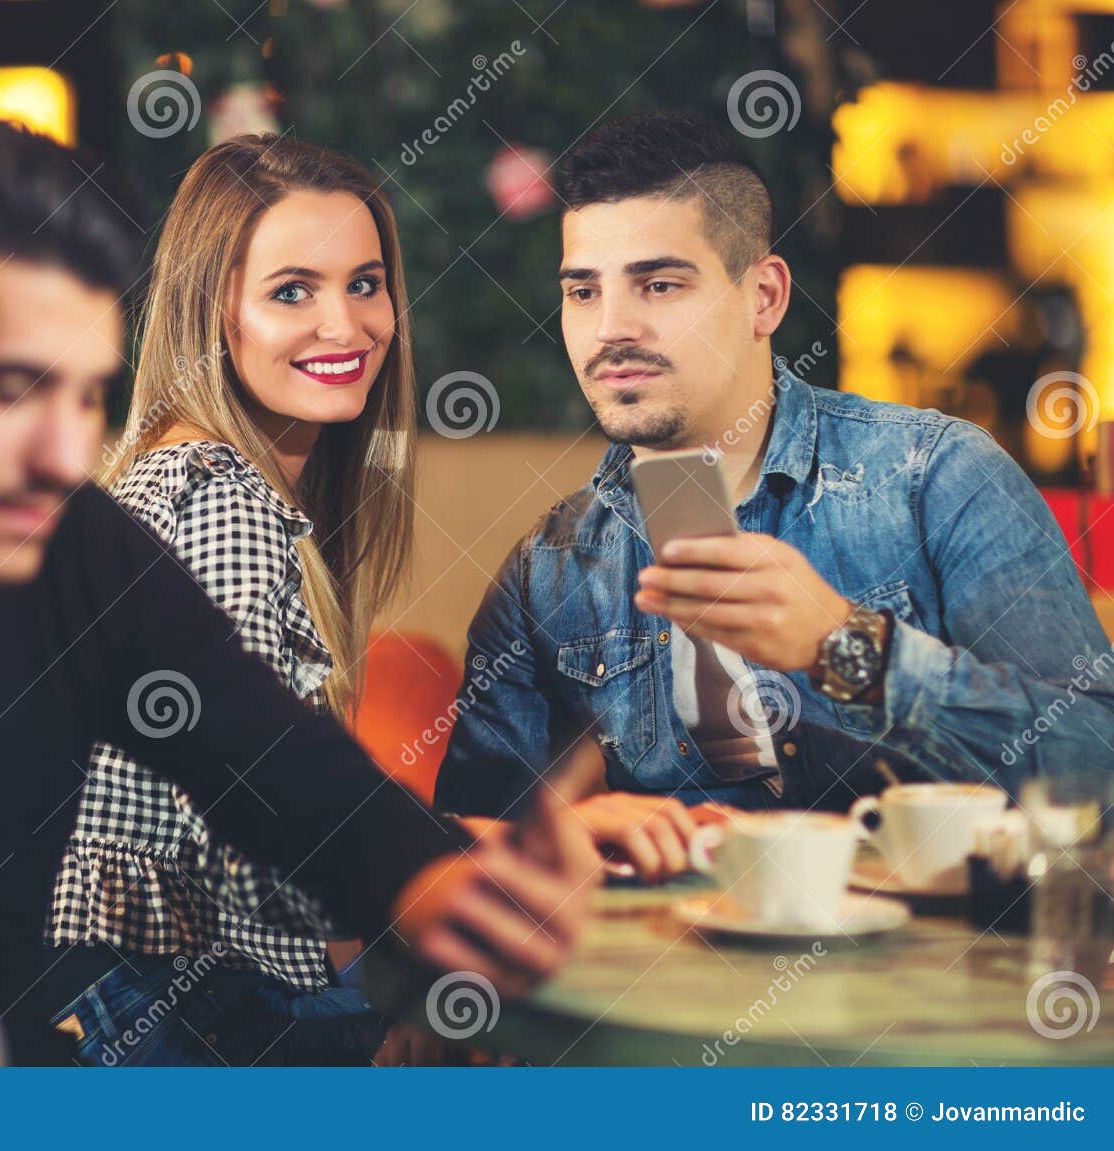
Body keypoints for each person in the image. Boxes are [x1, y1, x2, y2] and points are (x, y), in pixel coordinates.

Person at [0, 115, 604, 1066]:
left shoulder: (86, 529)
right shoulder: (219, 497)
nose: (344, 325)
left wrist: (449, 874)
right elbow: (236, 874)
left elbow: (274, 765)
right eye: (293, 290)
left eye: (366, 284)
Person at [434, 111, 1114, 824]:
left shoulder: (936, 476)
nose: (610, 329)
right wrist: (572, 831)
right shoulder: (549, 571)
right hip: (671, 934)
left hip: (929, 933)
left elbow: (1095, 761)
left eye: (659, 285)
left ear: (765, 297)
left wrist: (843, 649)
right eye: (583, 292)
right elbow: (465, 860)